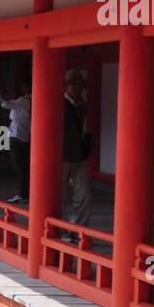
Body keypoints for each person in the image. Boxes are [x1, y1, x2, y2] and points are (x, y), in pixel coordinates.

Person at [62, 68, 91, 227]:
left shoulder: (81, 105)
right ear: (66, 86)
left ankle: (78, 228)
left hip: (78, 154)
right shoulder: (59, 104)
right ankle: (61, 228)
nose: (78, 88)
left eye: (80, 85)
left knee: (83, 194)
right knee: (60, 195)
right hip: (61, 155)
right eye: (75, 84)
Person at [0, 79, 31, 204]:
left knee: (20, 167)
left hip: (17, 135)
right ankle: (25, 192)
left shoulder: (24, 101)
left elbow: (4, 105)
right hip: (24, 135)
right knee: (23, 166)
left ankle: (22, 194)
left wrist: (0, 93)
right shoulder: (29, 100)